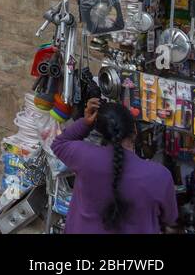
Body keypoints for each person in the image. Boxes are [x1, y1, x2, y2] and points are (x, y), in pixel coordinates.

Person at [51, 97, 178, 234]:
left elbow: (59, 143)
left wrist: (86, 123)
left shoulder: (85, 158)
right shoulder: (160, 176)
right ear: (134, 131)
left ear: (101, 131)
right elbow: (170, 218)